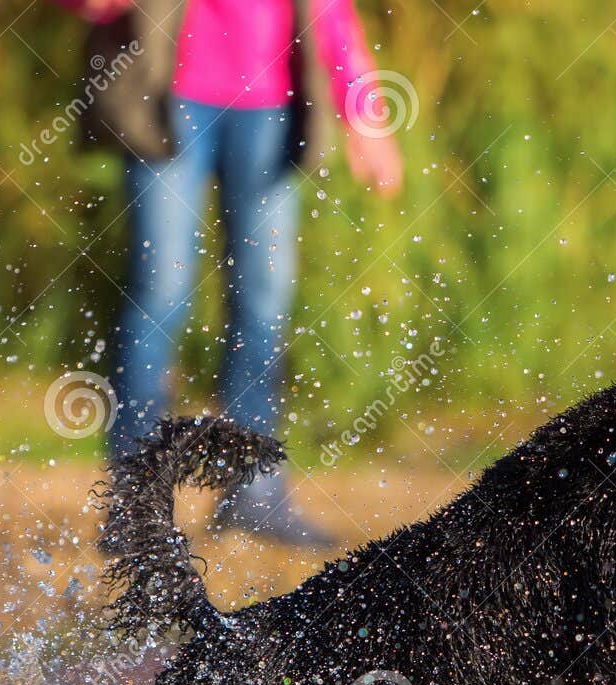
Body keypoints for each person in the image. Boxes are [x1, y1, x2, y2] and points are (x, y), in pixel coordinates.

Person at [60, 0, 403, 543]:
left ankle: (255, 490)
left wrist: (365, 110)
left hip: (272, 104)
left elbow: (332, 12)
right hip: (165, 95)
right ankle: (136, 504)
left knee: (265, 297)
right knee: (162, 290)